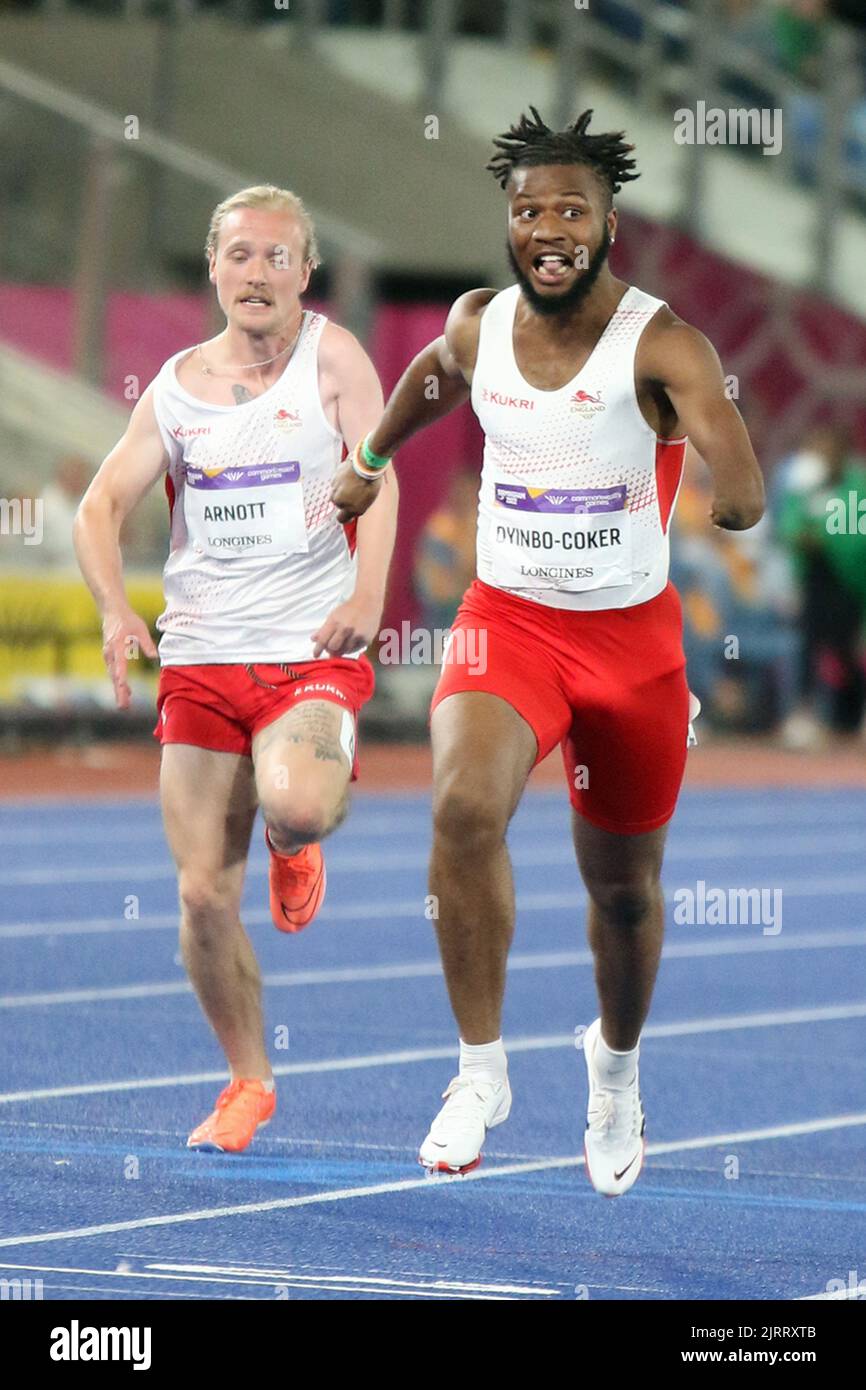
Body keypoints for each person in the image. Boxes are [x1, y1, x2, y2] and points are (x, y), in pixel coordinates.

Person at [332, 109, 764, 1196]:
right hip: (507, 620)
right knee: (461, 807)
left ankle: (612, 1069)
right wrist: (370, 455)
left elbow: (733, 464)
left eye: (569, 207)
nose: (547, 228)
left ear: (608, 220)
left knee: (622, 892)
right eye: (527, 211)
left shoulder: (661, 343)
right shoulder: (480, 323)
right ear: (509, 227)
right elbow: (436, 373)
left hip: (629, 644)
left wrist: (730, 482)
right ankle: (479, 1071)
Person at [74, 184, 398, 1154]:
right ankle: (247, 1077)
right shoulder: (173, 387)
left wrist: (370, 599)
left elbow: (373, 478)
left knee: (294, 805)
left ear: (305, 272)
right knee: (201, 894)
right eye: (239, 255)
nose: (256, 274)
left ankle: (295, 842)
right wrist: (113, 607)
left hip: (307, 653)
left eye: (277, 257)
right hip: (204, 660)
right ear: (212, 266)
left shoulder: (332, 357)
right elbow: (99, 507)